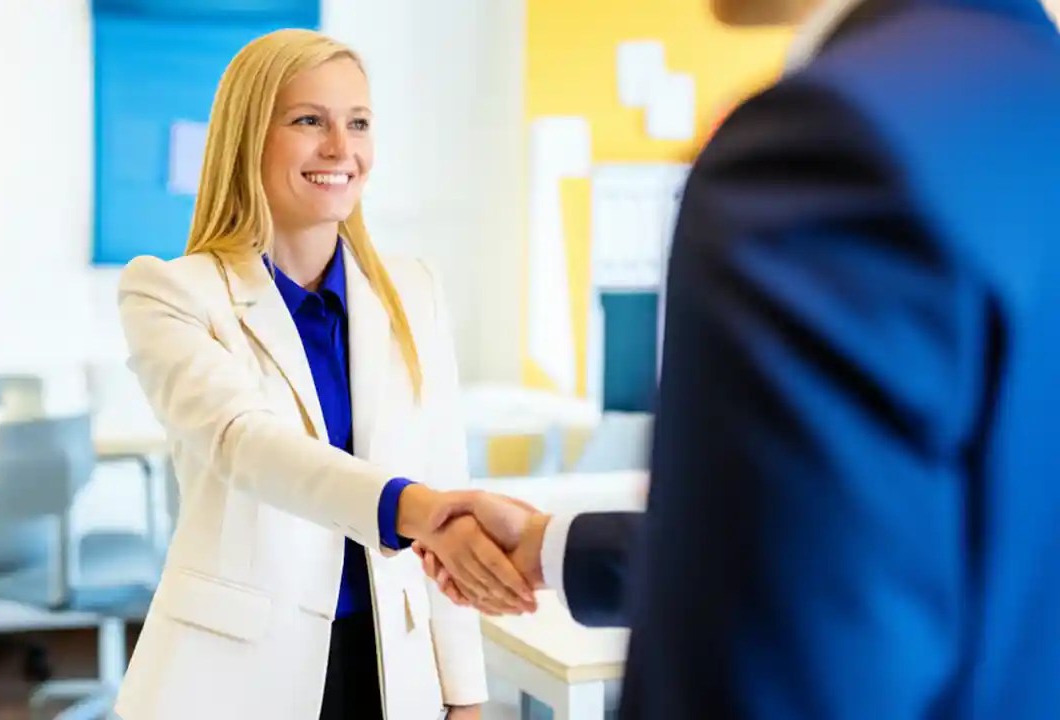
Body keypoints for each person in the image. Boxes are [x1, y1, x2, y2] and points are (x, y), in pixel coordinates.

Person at [419, 0, 1060, 717]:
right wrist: (552, 545)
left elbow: (785, 657)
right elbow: (874, 555)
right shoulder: (1029, 102)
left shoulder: (832, 152)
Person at [113, 29, 533, 720]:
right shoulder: (170, 293)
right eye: (309, 120)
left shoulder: (413, 290)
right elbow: (246, 444)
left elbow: (444, 468)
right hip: (235, 675)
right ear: (249, 137)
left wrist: (464, 691)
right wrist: (419, 510)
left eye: (359, 123)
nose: (342, 148)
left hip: (392, 670)